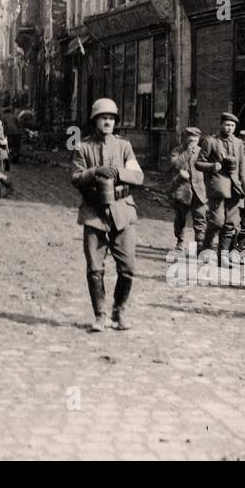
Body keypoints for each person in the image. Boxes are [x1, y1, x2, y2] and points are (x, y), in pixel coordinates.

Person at [70, 98, 144, 332]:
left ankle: (119, 312)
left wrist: (118, 172)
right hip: (94, 213)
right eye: (104, 118)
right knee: (94, 269)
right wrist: (94, 171)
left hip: (122, 213)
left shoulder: (124, 146)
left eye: (111, 118)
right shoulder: (82, 147)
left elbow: (138, 176)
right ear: (95, 121)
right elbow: (75, 177)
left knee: (128, 268)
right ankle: (100, 315)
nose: (108, 122)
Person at [196, 112, 245, 266]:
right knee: (217, 221)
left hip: (235, 188)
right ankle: (206, 248)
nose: (229, 128)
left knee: (230, 223)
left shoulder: (238, 143)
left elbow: (242, 166)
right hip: (217, 186)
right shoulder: (210, 142)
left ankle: (222, 256)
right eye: (227, 125)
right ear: (221, 125)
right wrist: (212, 166)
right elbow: (198, 163)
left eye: (232, 126)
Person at [169, 126, 206, 250]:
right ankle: (180, 240)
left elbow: (207, 169)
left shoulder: (203, 152)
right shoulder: (178, 151)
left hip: (199, 190)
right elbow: (175, 164)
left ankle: (200, 243)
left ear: (199, 140)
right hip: (182, 189)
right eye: (190, 140)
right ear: (185, 139)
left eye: (195, 141)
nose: (192, 144)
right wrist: (187, 153)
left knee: (200, 217)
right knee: (180, 218)